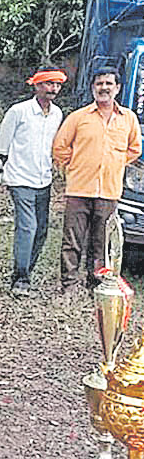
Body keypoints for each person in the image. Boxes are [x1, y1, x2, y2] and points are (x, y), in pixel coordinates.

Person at [53, 66, 142, 292]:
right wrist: (76, 166)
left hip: (109, 192)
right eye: (99, 83)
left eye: (108, 83)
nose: (104, 88)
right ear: (93, 87)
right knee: (72, 240)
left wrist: (114, 163)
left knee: (101, 242)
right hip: (79, 190)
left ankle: (96, 283)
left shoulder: (128, 119)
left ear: (117, 88)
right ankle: (70, 284)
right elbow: (60, 147)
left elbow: (134, 149)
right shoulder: (79, 117)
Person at [0, 67, 67, 296]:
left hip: (43, 178)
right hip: (20, 177)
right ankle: (21, 279)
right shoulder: (19, 111)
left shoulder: (57, 114)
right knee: (28, 227)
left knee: (42, 230)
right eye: (48, 83)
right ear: (36, 86)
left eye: (56, 84)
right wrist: (4, 172)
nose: (53, 89)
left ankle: (25, 271)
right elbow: (3, 145)